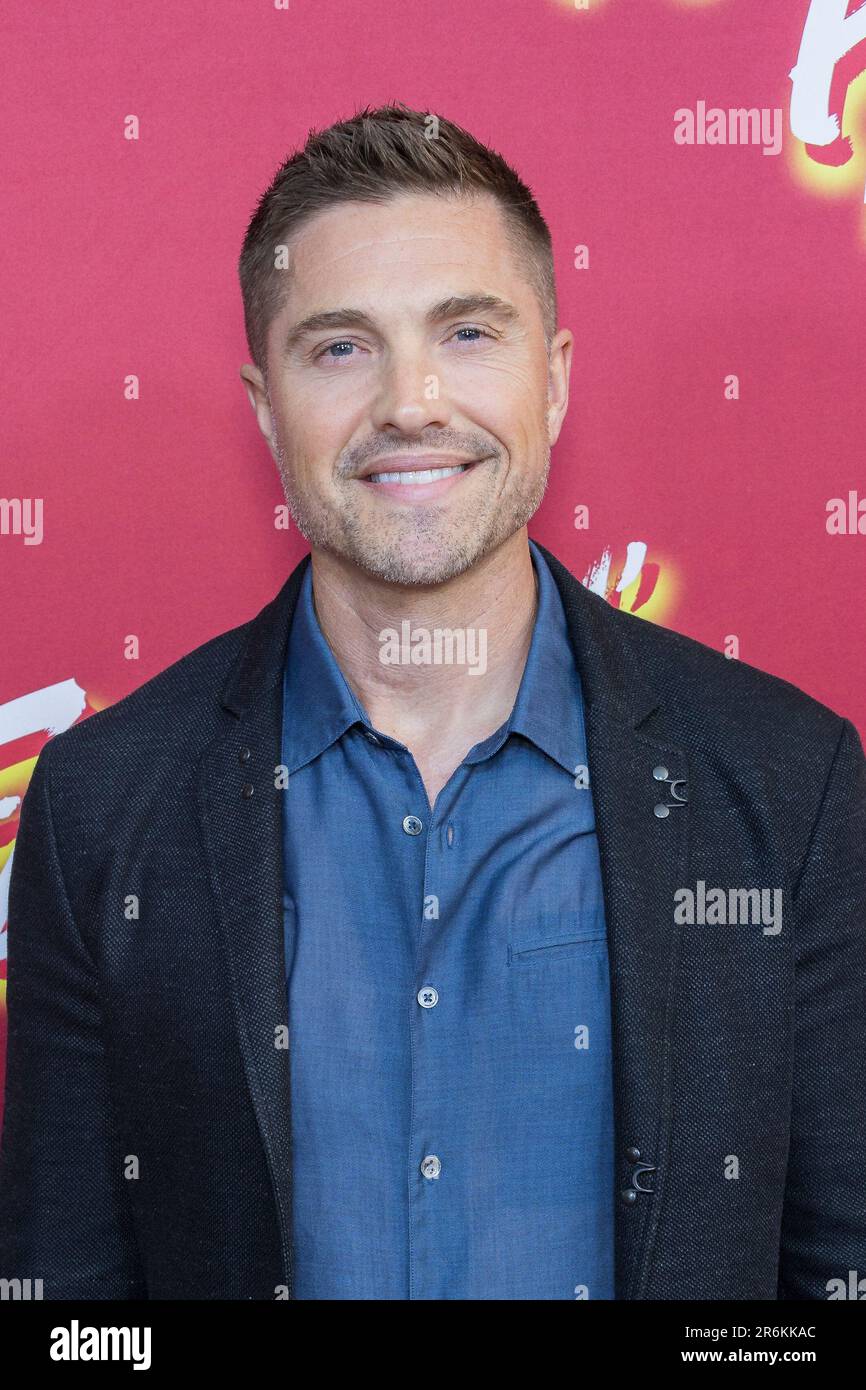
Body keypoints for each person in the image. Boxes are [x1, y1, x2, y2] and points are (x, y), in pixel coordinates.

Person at [1, 103, 864, 1301]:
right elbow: (69, 1309)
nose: (410, 402)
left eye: (466, 332)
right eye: (340, 347)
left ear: (552, 381)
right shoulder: (103, 805)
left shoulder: (788, 782)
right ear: (264, 408)